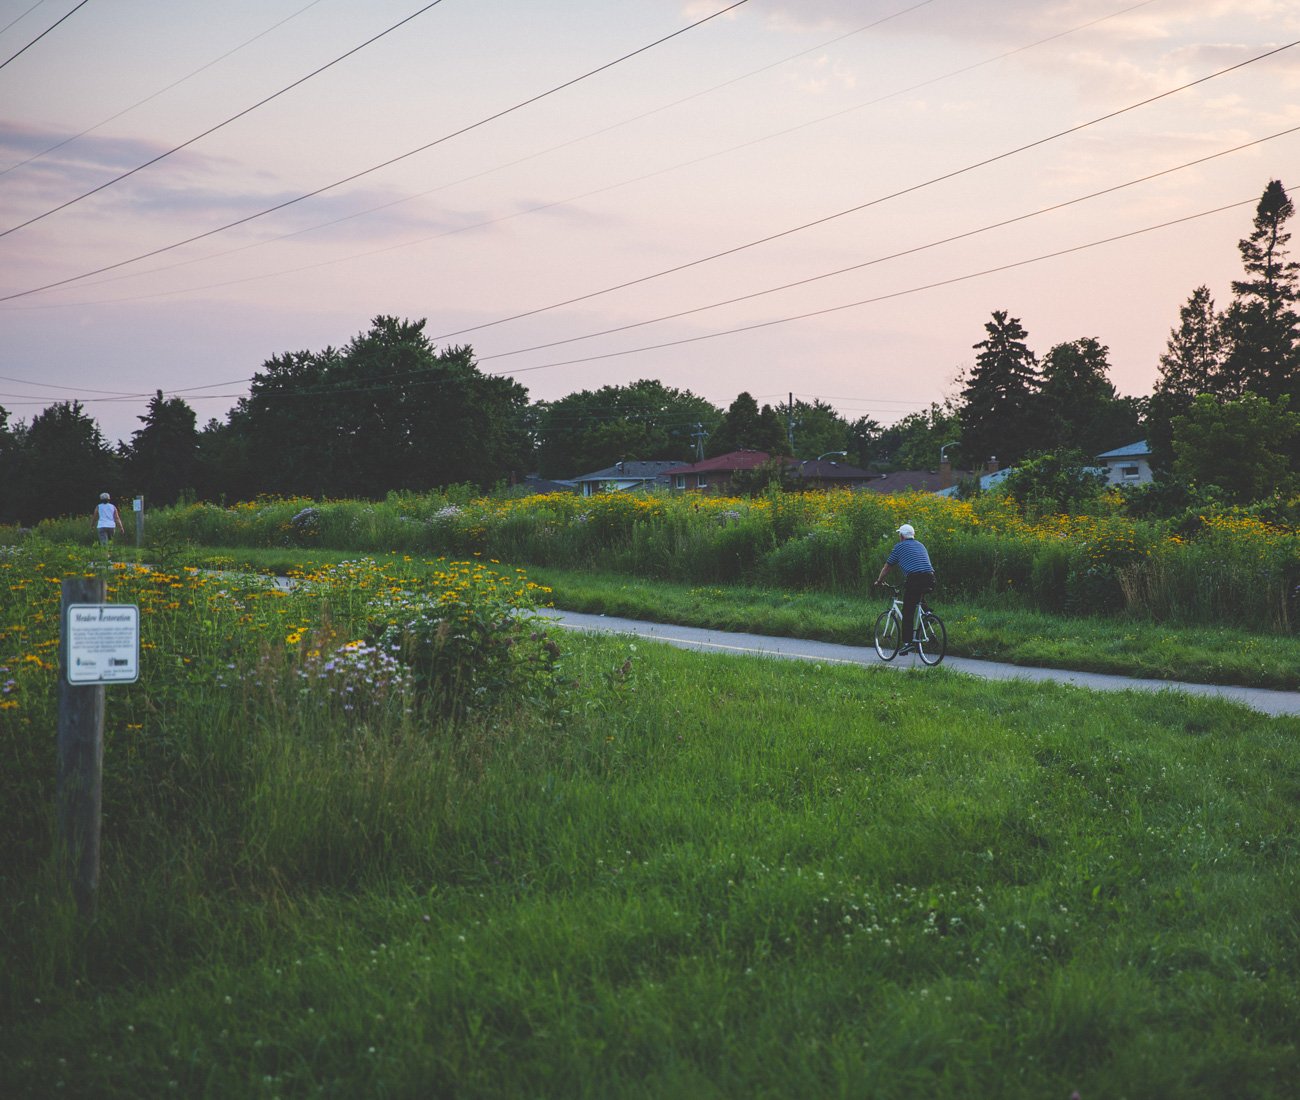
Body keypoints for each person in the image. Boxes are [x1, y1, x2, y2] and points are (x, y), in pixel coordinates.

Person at [874, 523, 935, 655]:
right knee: (918, 597)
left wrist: (879, 581)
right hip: (930, 577)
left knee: (907, 611)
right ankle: (928, 615)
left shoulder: (899, 547)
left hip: (915, 578)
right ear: (913, 535)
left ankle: (907, 643)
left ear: (901, 536)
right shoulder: (920, 545)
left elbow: (887, 567)